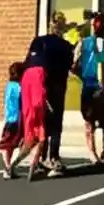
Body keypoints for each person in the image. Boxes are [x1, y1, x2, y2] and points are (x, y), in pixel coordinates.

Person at [73, 13, 104, 163]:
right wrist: (83, 75)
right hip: (90, 86)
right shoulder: (84, 43)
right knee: (89, 120)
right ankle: (92, 153)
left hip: (103, 88)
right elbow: (73, 64)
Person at [11, 29, 53, 181]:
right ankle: (32, 167)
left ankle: (13, 165)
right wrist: (47, 103)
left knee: (29, 138)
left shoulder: (26, 71)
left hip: (27, 108)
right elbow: (41, 90)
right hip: (37, 105)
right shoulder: (41, 69)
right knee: (41, 139)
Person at [39, 11, 75, 175]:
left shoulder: (40, 42)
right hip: (58, 87)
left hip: (42, 87)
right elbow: (69, 67)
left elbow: (31, 65)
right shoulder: (66, 46)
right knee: (55, 125)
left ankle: (41, 156)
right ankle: (53, 157)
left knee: (43, 123)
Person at [0, 62, 25, 179]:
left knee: (7, 144)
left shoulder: (8, 86)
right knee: (21, 143)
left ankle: (8, 165)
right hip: (18, 119)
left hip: (9, 118)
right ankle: (10, 167)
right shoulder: (20, 87)